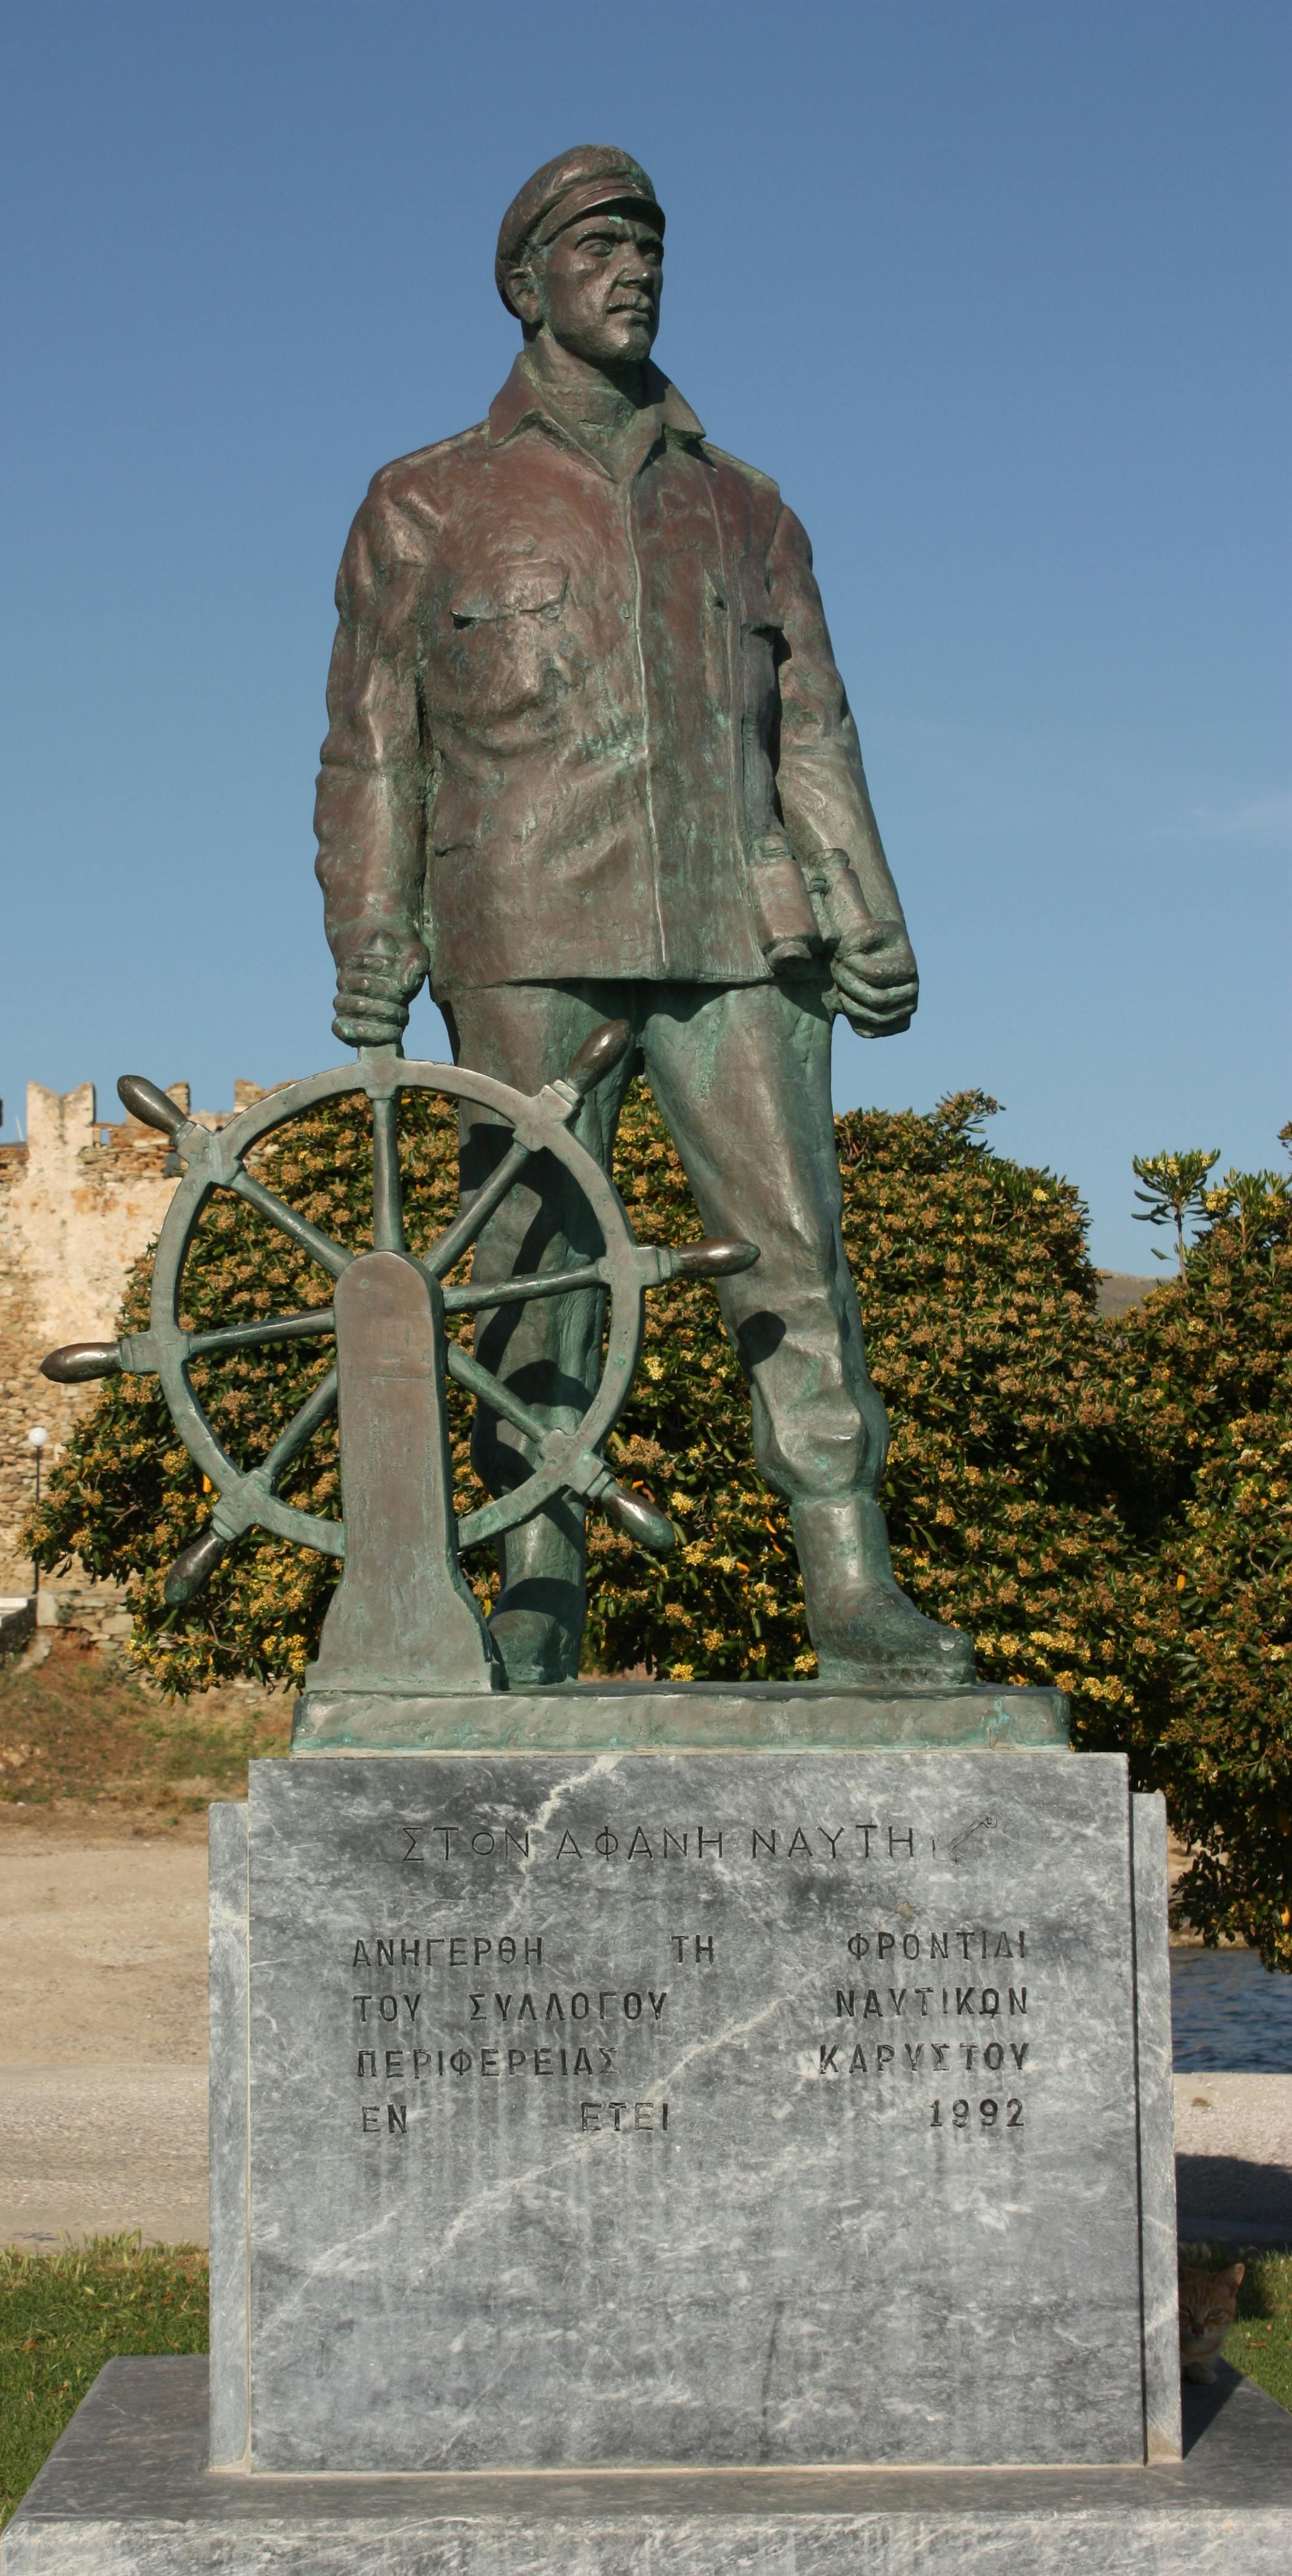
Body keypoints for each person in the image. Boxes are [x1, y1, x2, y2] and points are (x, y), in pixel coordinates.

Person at [313, 144, 973, 1690]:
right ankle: (534, 1597)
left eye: (649, 247)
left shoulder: (746, 510)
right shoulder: (423, 501)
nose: (633, 270)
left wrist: (866, 912)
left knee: (793, 1257)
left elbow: (809, 727)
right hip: (519, 925)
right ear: (524, 283)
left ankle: (850, 1582)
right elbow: (370, 745)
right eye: (598, 246)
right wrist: (367, 934)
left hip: (743, 939)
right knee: (530, 1281)